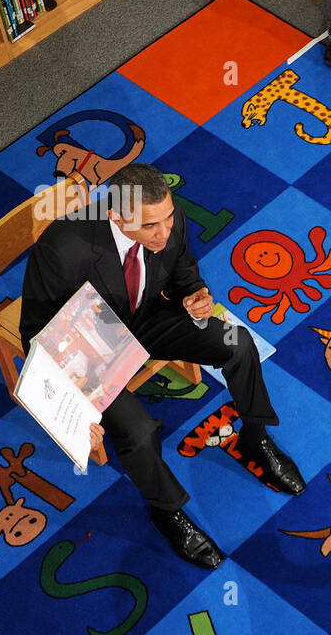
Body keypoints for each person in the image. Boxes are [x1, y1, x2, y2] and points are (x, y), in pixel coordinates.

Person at [20, 164, 305, 569]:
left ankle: (254, 437)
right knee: (137, 431)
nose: (165, 232)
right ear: (116, 217)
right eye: (152, 226)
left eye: (169, 218)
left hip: (148, 317)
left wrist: (195, 294)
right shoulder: (63, 249)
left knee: (238, 343)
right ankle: (165, 509)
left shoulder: (166, 216)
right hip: (91, 348)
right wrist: (75, 402)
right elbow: (36, 333)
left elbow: (182, 267)